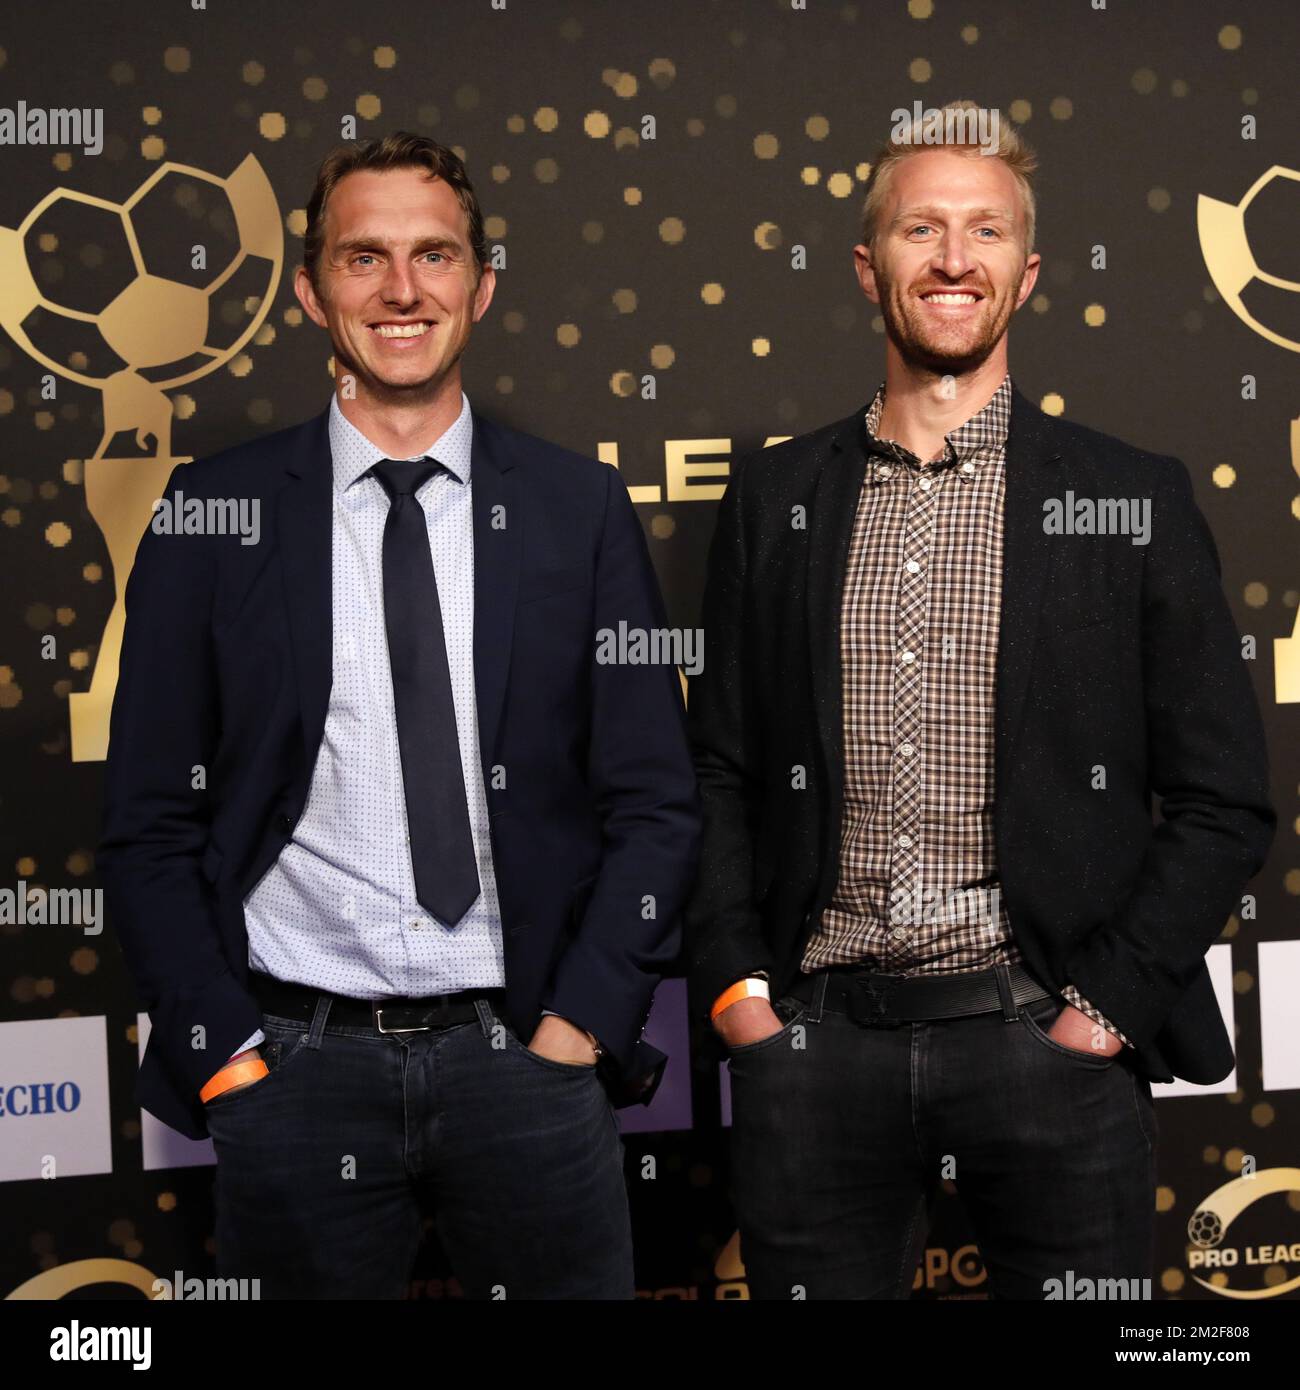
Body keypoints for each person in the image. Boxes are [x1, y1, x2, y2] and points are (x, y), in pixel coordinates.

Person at [684, 100, 1274, 1299]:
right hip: (820, 1047)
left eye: (985, 232)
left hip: (1046, 1042)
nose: (954, 259)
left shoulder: (1129, 498)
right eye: (920, 230)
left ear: (1027, 270)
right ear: (868, 267)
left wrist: (1101, 1012)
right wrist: (747, 1003)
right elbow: (720, 771)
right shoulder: (774, 498)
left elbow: (1223, 798)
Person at [100, 132, 700, 1299]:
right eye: (363, 257)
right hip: (295, 1066)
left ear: (479, 286)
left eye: (433, 256)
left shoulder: (577, 507)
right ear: (312, 292)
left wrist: (579, 1026)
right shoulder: (213, 513)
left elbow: (656, 801)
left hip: (523, 1057)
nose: (401, 289)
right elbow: (145, 821)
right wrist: (226, 1056)